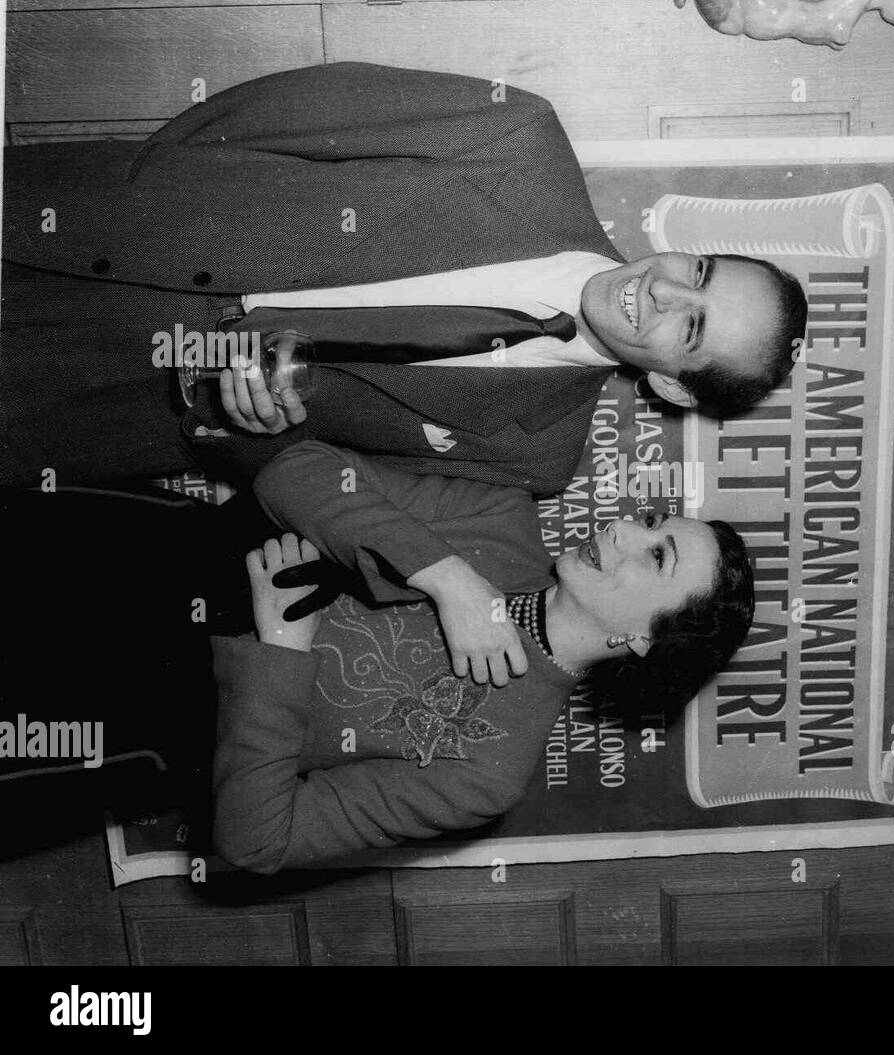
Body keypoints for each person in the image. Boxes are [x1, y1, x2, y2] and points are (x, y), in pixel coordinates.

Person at [0, 61, 807, 495]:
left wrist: (247, 425)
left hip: (109, 409)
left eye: (691, 326)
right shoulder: (519, 140)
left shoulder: (537, 458)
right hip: (76, 235)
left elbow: (310, 483)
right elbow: (297, 107)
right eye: (697, 270)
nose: (665, 290)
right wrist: (151, 196)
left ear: (675, 391)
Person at [0, 443, 755, 872]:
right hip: (112, 553)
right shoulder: (502, 517)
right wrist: (448, 576)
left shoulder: (488, 773)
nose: (624, 532)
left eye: (654, 556)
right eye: (651, 519)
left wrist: (280, 658)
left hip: (117, 719)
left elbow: (259, 838)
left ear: (646, 640)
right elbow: (294, 471)